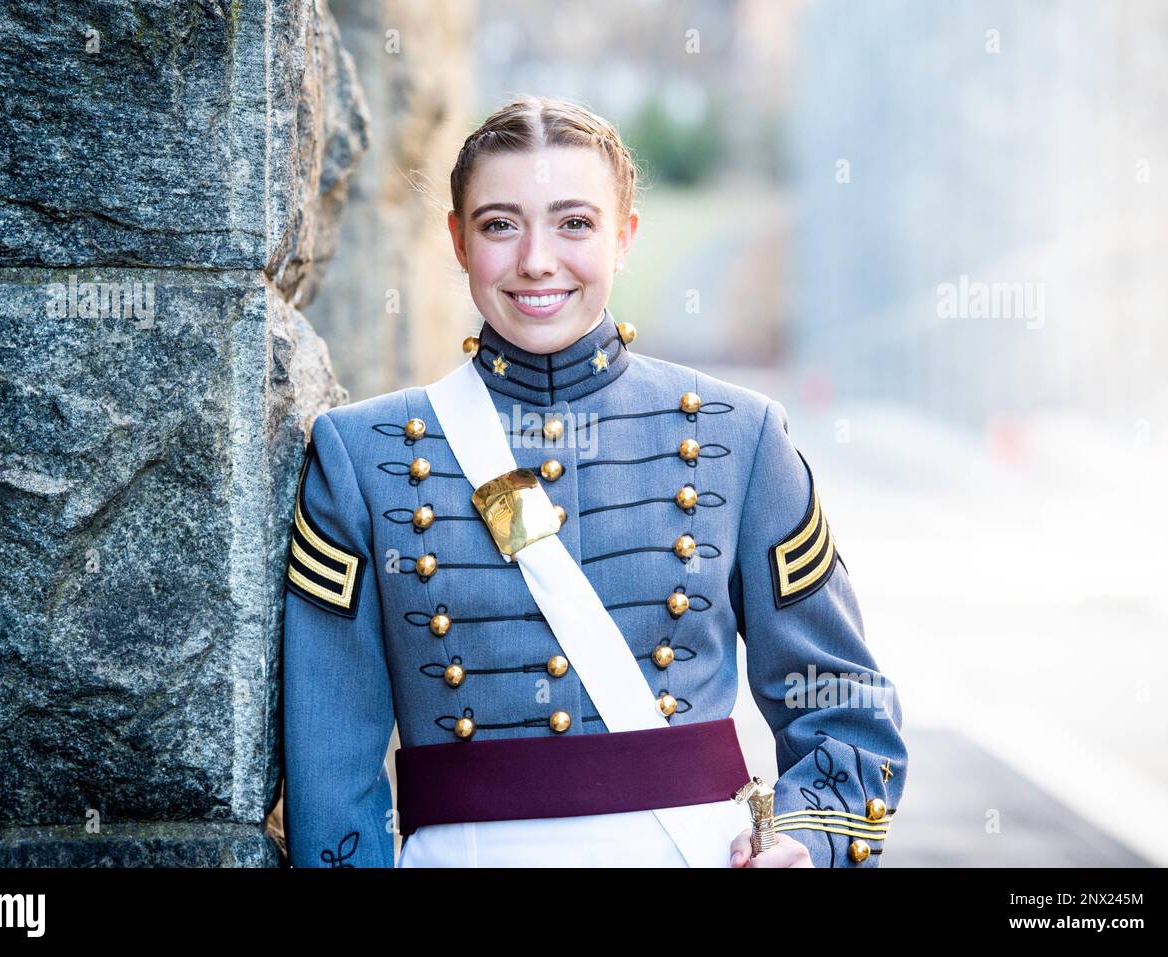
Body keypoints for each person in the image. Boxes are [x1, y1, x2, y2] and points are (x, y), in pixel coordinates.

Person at [281, 95, 907, 868]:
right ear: (457, 238)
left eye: (574, 223)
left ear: (625, 237)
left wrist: (806, 842)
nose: (537, 259)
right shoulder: (356, 455)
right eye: (500, 224)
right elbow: (330, 764)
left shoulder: (741, 436)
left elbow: (841, 704)